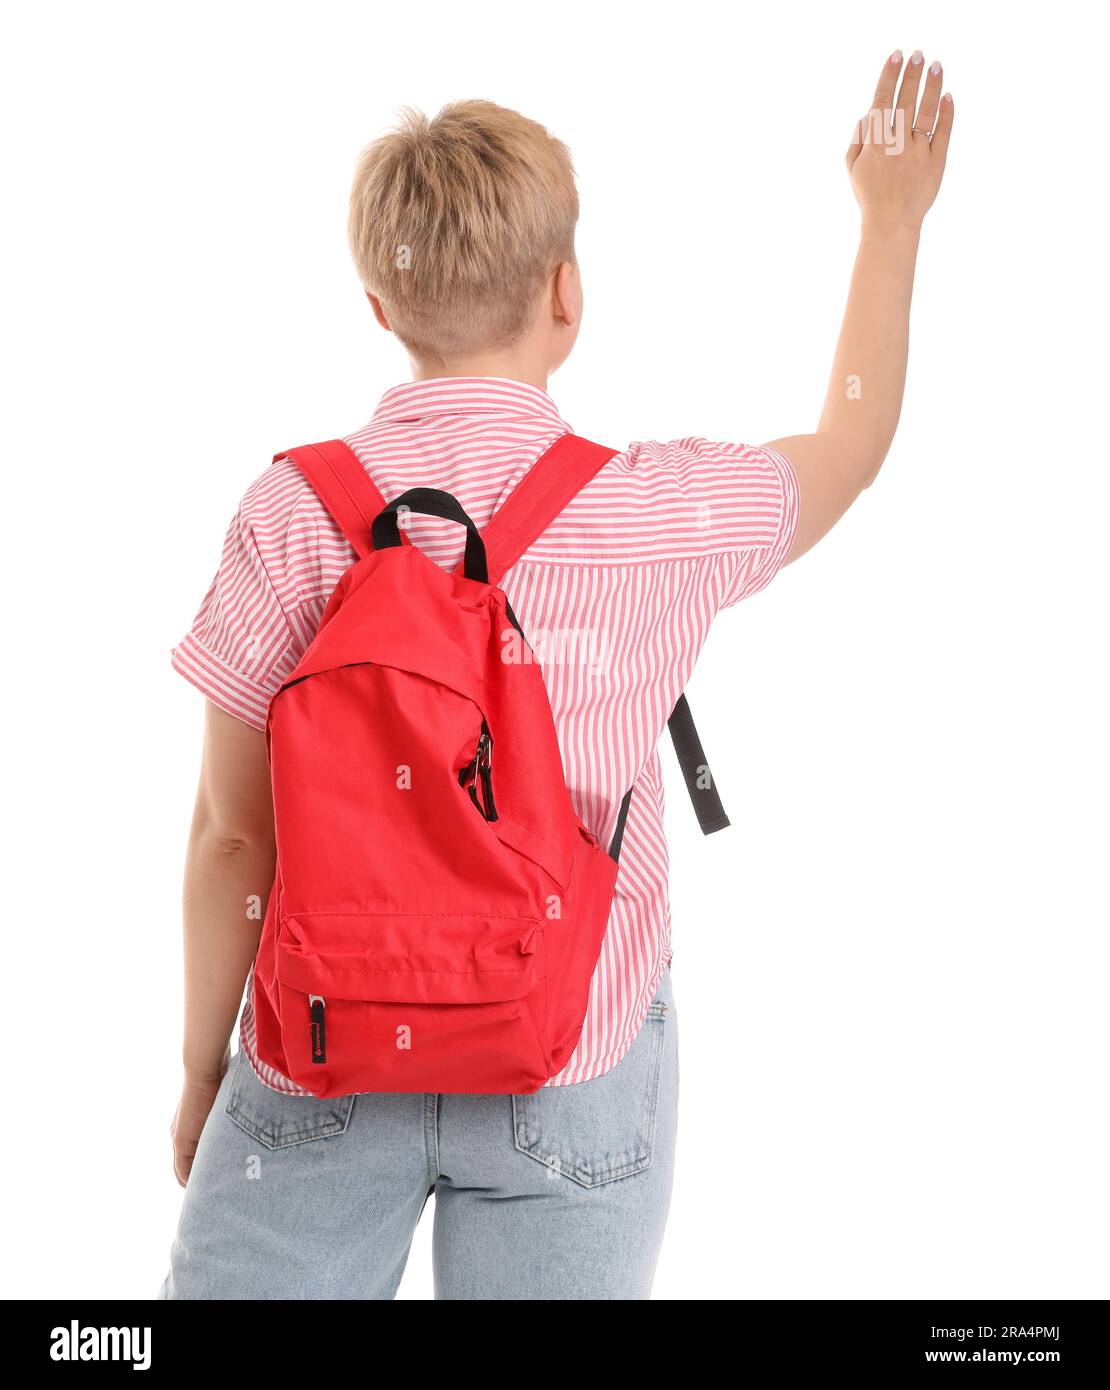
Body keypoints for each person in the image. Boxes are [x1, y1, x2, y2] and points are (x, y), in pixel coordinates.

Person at [162, 51, 953, 1300]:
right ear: (566, 292)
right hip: (570, 1054)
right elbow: (852, 441)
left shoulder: (292, 511)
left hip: (321, 1055)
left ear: (380, 302)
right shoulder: (657, 511)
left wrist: (208, 1068)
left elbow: (228, 843)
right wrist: (891, 219)